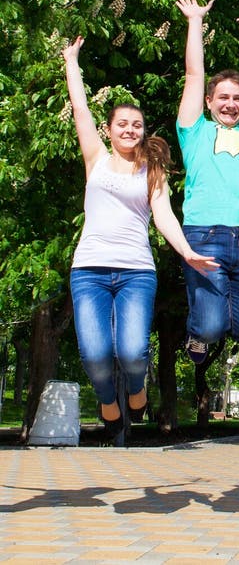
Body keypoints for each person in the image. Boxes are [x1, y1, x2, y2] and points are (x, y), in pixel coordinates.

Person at [63, 37, 214, 438]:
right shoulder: (95, 159)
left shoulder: (152, 170)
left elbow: (163, 215)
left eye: (136, 125)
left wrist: (187, 252)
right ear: (109, 130)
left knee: (132, 352)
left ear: (143, 131)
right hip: (89, 270)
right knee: (94, 355)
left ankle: (136, 387)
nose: (129, 130)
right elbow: (80, 108)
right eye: (122, 124)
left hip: (135, 272)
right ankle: (107, 400)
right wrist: (71, 60)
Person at [175, 0, 239, 364]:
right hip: (205, 234)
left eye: (237, 99)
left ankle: (214, 322)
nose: (230, 104)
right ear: (209, 102)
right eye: (223, 97)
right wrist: (195, 21)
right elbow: (193, 75)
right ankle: (198, 332)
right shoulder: (194, 131)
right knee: (211, 326)